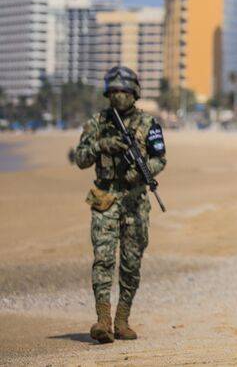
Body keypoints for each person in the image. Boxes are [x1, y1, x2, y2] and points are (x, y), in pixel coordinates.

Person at [70, 66, 166, 343]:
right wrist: (102, 146)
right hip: (105, 199)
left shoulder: (149, 125)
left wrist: (142, 171)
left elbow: (160, 158)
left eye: (124, 91)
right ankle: (103, 319)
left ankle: (122, 320)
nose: (119, 96)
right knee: (103, 260)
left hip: (135, 202)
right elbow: (80, 159)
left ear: (134, 93)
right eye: (114, 91)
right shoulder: (97, 123)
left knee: (131, 263)